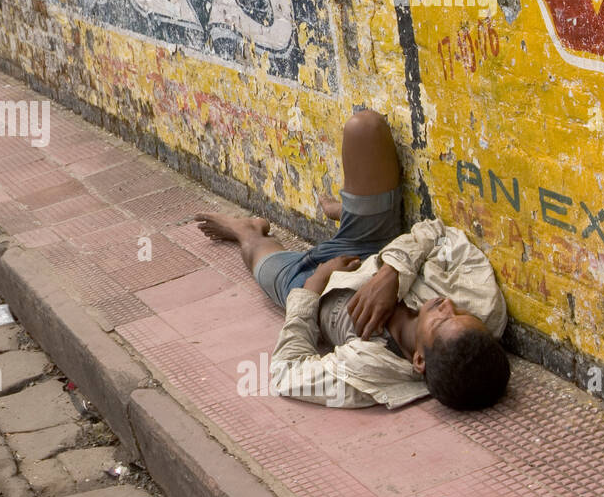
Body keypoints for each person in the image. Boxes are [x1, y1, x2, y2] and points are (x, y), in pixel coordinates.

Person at [195, 109, 510, 410]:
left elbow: (287, 372)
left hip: (312, 287)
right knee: (365, 127)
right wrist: (393, 272)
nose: (446, 304)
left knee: (254, 249)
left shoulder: (368, 374)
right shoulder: (485, 310)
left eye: (443, 319)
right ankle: (350, 216)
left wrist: (313, 286)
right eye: (459, 310)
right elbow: (442, 235)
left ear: (419, 361)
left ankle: (245, 231)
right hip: (375, 243)